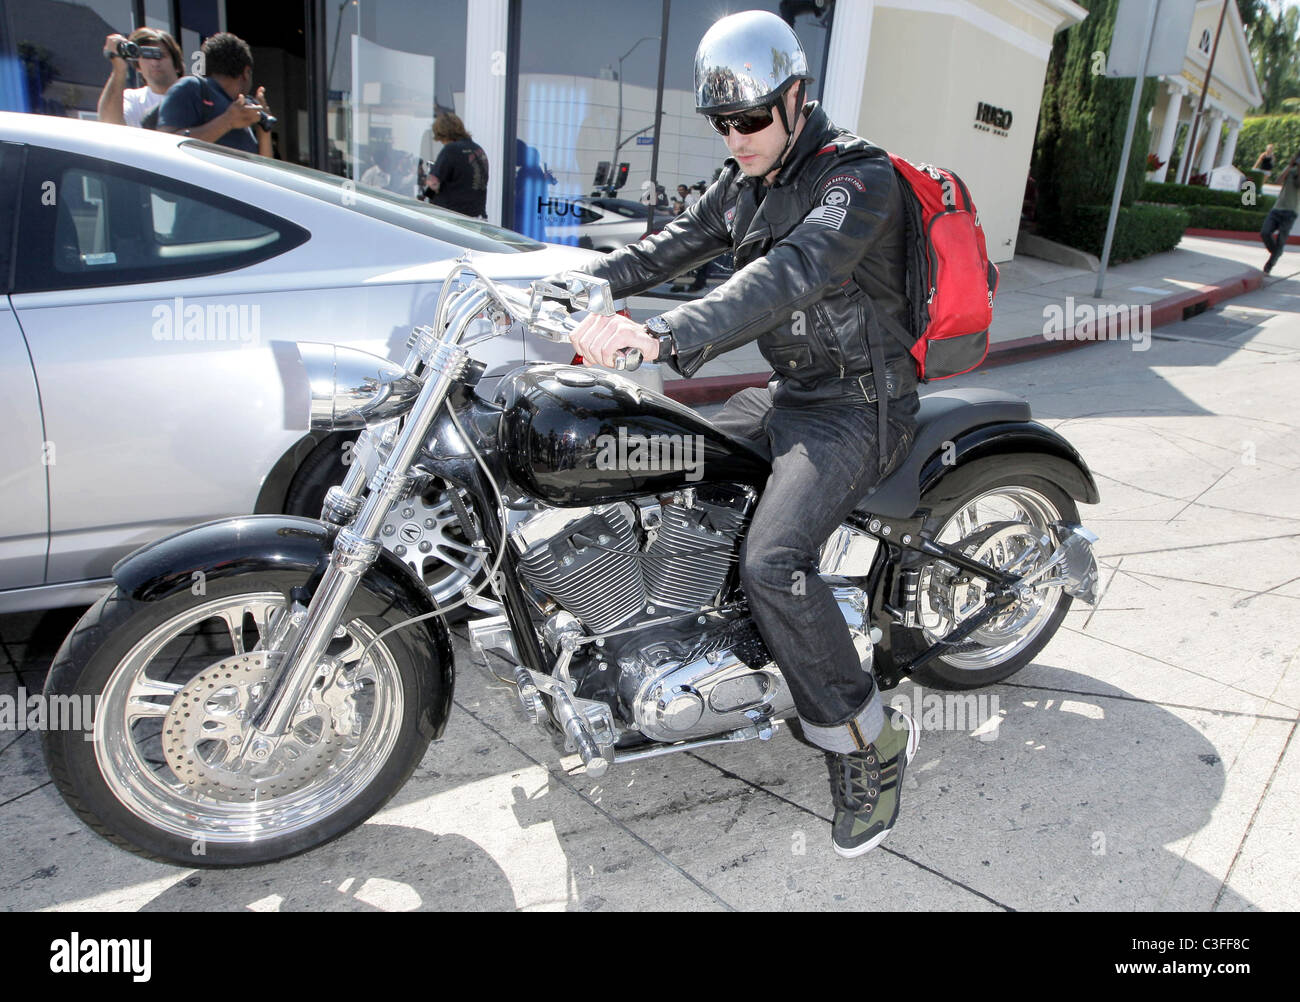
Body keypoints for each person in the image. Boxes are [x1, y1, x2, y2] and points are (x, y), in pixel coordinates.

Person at [562, 9, 919, 858]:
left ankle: (868, 741)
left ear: (796, 98)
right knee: (668, 464)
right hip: (792, 391)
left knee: (772, 561)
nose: (736, 136)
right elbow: (671, 245)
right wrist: (578, 284)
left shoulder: (856, 178)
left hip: (860, 405)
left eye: (752, 118)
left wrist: (665, 335)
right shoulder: (744, 182)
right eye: (722, 123)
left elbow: (790, 273)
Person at [157, 32, 273, 157]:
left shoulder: (237, 109)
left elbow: (265, 170)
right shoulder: (191, 87)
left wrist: (264, 128)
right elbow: (166, 145)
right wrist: (227, 122)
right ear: (246, 72)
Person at [96, 27, 183, 128]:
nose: (154, 63)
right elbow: (109, 123)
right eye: (147, 56)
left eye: (161, 55)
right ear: (138, 66)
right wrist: (119, 67)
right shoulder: (132, 99)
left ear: (176, 64)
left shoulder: (195, 95)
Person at [424, 112, 489, 218]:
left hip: (452, 216)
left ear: (443, 134)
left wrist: (424, 198)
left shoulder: (451, 149)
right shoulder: (478, 150)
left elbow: (433, 182)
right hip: (477, 215)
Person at [1262, 152, 1299, 274]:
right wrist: (1289, 166)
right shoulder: (1290, 169)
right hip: (1277, 208)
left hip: (1291, 211)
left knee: (1281, 240)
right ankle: (1277, 252)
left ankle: (1269, 266)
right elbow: (1278, 181)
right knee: (1265, 232)